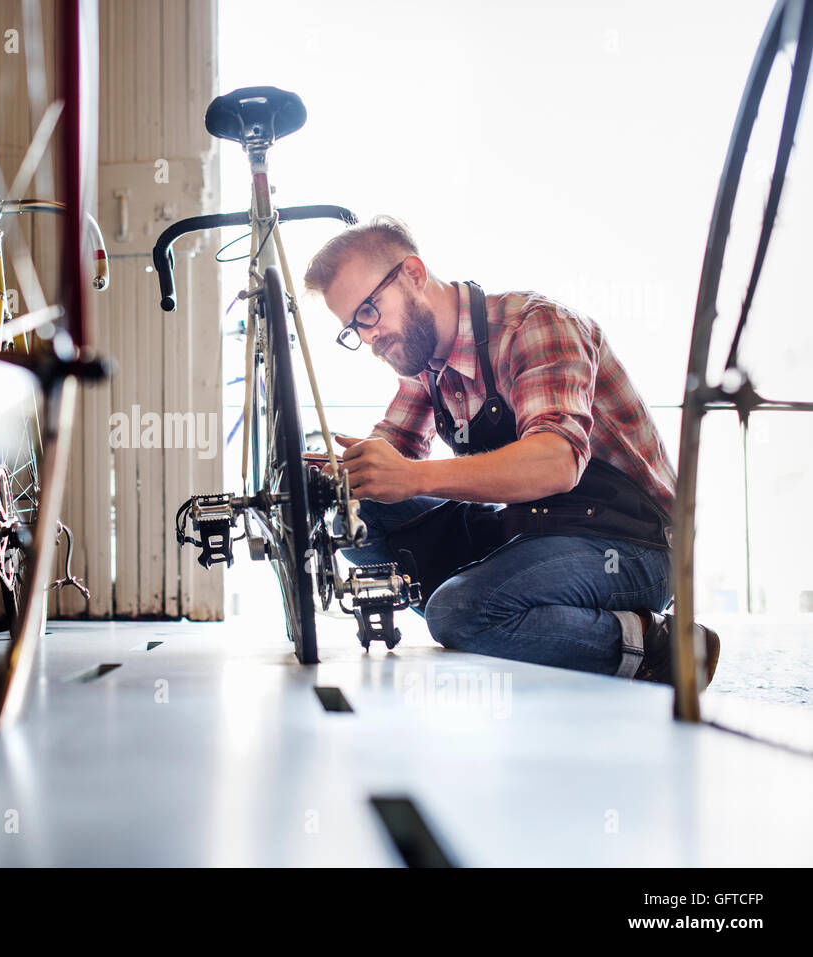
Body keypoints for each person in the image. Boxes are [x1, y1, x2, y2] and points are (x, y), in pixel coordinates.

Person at [304, 215, 720, 688]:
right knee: (361, 511)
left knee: (460, 611)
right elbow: (387, 451)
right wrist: (322, 477)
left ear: (414, 275)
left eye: (369, 312)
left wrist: (415, 478)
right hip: (535, 532)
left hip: (632, 545)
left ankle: (655, 644)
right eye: (352, 329)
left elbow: (556, 462)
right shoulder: (426, 366)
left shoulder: (536, 324)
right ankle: (524, 614)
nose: (368, 336)